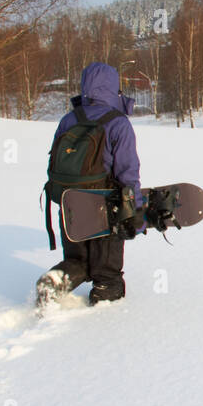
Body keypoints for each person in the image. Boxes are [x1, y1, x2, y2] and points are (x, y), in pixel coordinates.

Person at [36, 62, 143, 306]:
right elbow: (128, 172)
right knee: (107, 273)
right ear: (114, 88)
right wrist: (133, 210)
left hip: (69, 203)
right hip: (105, 206)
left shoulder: (68, 119)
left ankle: (56, 279)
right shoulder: (118, 123)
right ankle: (103, 299)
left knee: (78, 261)